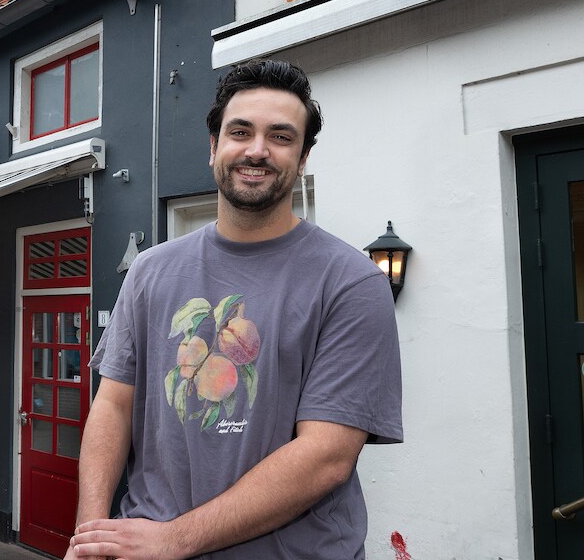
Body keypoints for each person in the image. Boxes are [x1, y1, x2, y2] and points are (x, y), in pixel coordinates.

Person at [66, 60, 403, 559]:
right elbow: (113, 406)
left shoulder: (350, 282)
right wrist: (92, 534)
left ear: (303, 157)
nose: (257, 149)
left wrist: (175, 540)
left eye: (281, 136)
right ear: (213, 147)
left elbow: (326, 456)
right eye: (240, 131)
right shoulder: (151, 271)